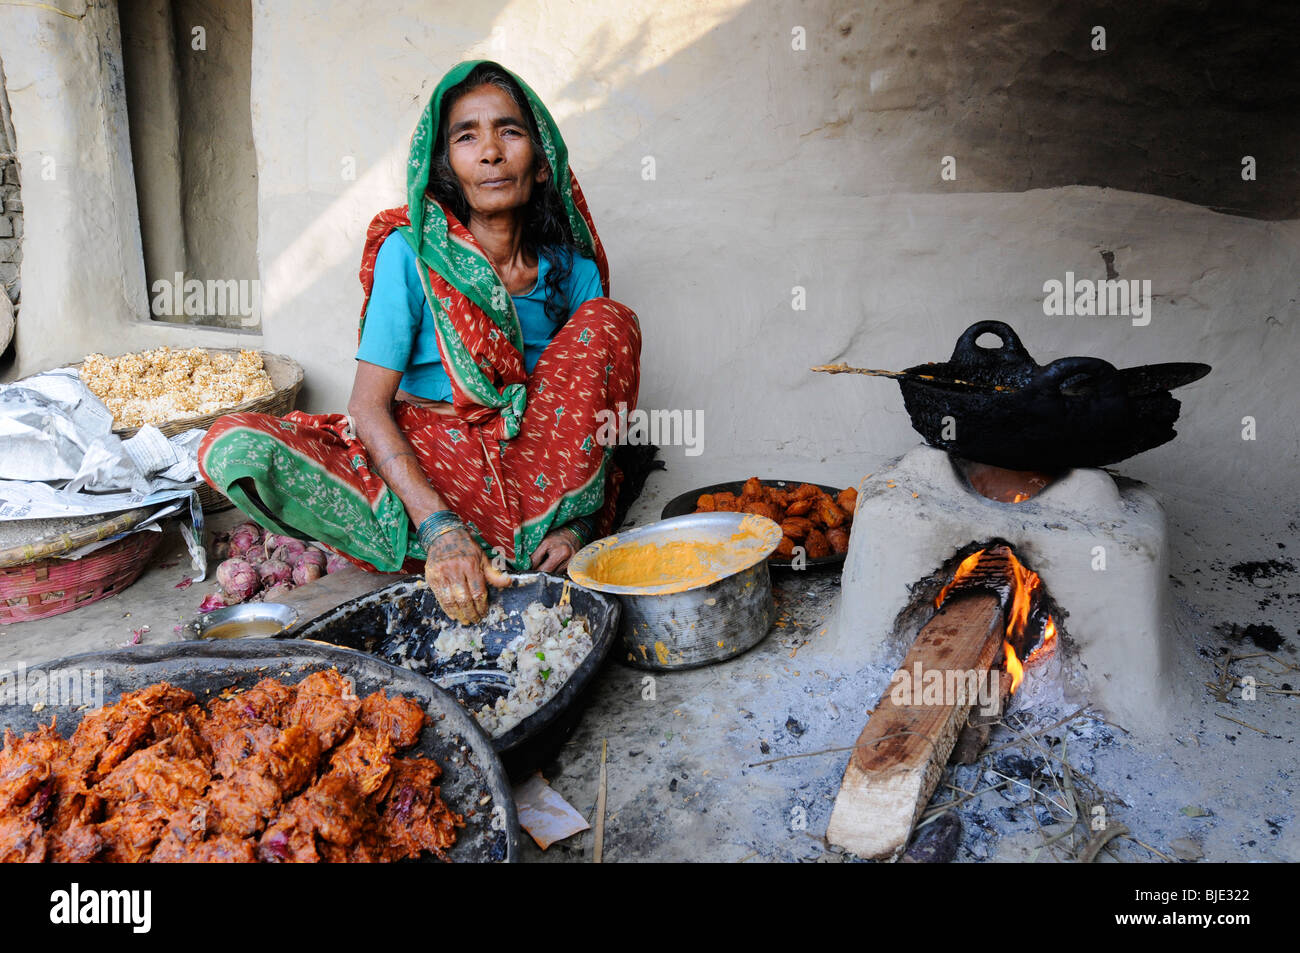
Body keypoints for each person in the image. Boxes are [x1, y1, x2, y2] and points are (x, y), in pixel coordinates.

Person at [199, 60, 642, 624]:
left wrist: (580, 524)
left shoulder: (571, 273)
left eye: (509, 131)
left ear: (541, 166)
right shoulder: (410, 254)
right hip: (433, 465)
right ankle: (454, 544)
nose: (490, 152)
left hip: (535, 465)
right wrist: (438, 526)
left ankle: (545, 531)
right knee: (237, 444)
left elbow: (586, 411)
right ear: (447, 169)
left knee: (610, 320)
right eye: (466, 136)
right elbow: (367, 406)